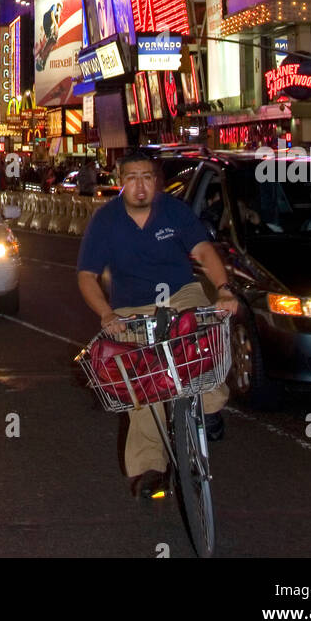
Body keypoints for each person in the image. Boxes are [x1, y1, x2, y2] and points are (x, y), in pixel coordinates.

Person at [77, 149, 238, 500]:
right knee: (143, 386)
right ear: (120, 182)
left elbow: (204, 251)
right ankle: (150, 468)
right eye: (132, 178)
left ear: (156, 181)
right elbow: (87, 275)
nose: (140, 186)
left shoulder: (174, 211)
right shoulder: (105, 221)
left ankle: (210, 406)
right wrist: (107, 314)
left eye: (147, 177)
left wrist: (224, 290)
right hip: (132, 307)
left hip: (180, 295)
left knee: (199, 334)